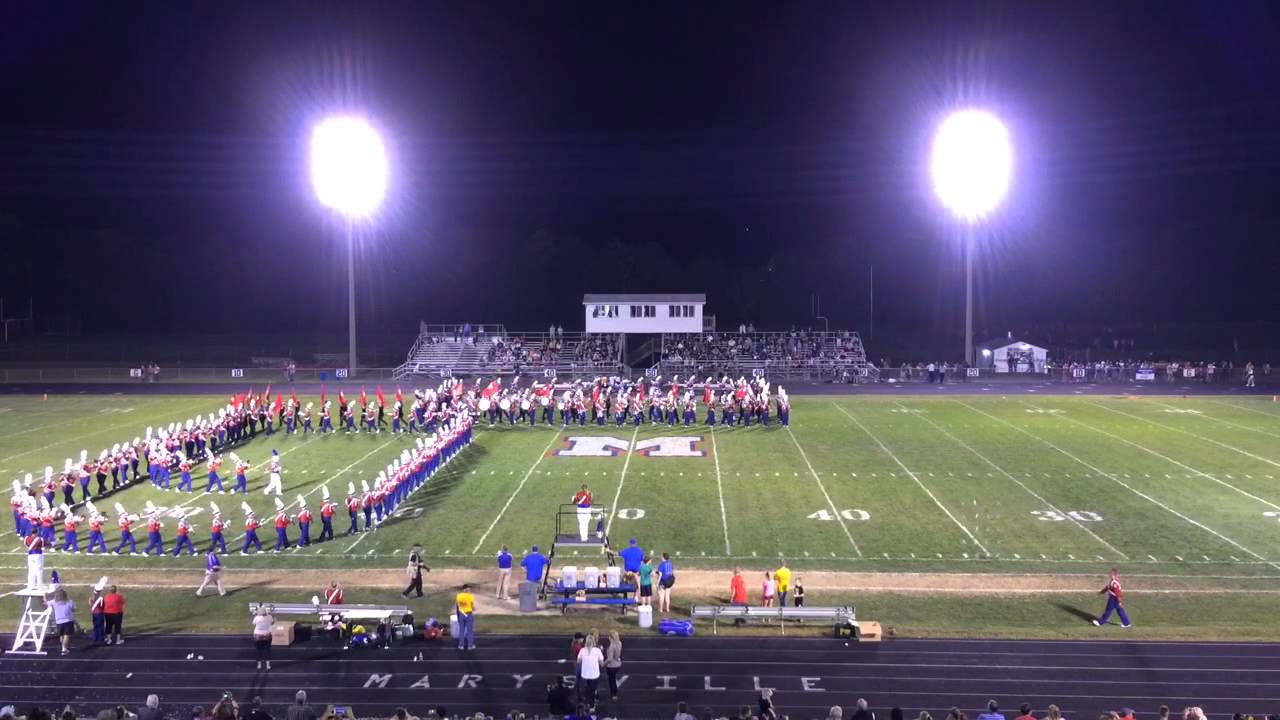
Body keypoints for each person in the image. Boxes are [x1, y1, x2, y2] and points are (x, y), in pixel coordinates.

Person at [576, 635, 604, 708]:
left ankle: (587, 703)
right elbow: (602, 664)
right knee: (592, 690)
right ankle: (591, 706)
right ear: (593, 642)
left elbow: (578, 661)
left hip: (585, 674)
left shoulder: (582, 650)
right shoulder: (597, 650)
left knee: (587, 689)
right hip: (594, 674)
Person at [45, 588, 75, 656]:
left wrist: (45, 596)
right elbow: (73, 609)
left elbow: (46, 603)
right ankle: (64, 649)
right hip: (68, 621)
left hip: (59, 622)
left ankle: (64, 647)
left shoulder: (53, 602)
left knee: (61, 636)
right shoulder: (70, 602)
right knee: (66, 635)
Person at [252, 604, 274, 671]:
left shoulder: (256, 618)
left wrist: (256, 614)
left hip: (258, 636)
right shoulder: (269, 617)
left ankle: (259, 666)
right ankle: (268, 666)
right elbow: (272, 622)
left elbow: (254, 623)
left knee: (259, 650)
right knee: (267, 650)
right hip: (267, 635)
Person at [455, 583, 476, 651]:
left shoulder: (458, 596)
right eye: (468, 588)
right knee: (470, 631)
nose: (469, 589)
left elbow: (457, 607)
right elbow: (472, 606)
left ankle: (461, 645)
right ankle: (470, 646)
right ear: (465, 589)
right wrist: (473, 608)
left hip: (461, 614)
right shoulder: (470, 596)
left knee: (461, 631)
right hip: (468, 615)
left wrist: (458, 616)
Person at [603, 631, 623, 701]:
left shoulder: (611, 646)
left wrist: (603, 663)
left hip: (612, 666)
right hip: (618, 664)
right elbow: (617, 655)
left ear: (610, 638)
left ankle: (614, 694)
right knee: (613, 679)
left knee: (612, 681)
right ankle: (614, 693)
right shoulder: (619, 643)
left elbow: (610, 659)